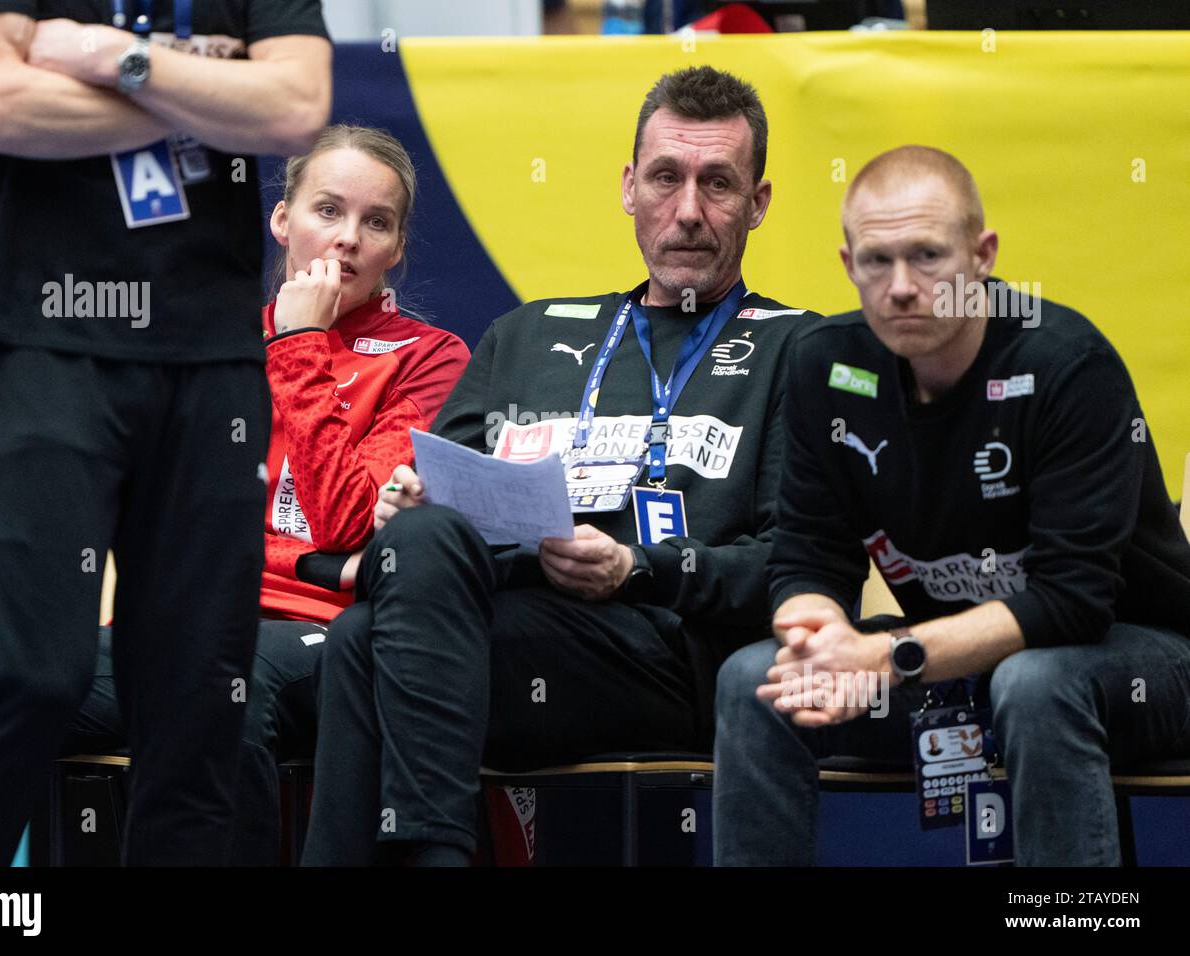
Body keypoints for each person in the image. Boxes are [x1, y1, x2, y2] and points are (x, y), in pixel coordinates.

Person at [0, 120, 470, 865]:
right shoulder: (211, 343)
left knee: (212, 700)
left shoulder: (430, 357)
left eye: (376, 222)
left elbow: (347, 521)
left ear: (398, 249)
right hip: (184, 622)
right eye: (328, 210)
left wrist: (300, 344)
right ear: (281, 219)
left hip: (318, 636)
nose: (348, 238)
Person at [302, 65, 819, 866]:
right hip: (504, 611)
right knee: (393, 585)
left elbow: (800, 570)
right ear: (627, 187)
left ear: (758, 203)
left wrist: (636, 569)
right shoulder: (530, 334)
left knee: (366, 645)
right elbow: (438, 498)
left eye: (717, 184)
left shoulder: (802, 348)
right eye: (665, 178)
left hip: (664, 644)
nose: (688, 211)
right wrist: (408, 501)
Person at [0, 0, 330, 866]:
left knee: (199, 702)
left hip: (210, 348)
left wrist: (114, 58)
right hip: (43, 335)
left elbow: (292, 108)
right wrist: (208, 94)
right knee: (37, 675)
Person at [712, 145, 1190, 866]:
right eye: (877, 261)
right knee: (757, 680)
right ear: (848, 266)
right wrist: (821, 639)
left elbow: (1072, 604)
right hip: (946, 662)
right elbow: (807, 556)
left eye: (928, 256)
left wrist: (886, 656)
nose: (901, 287)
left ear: (983, 255)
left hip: (1140, 663)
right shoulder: (822, 364)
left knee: (1033, 682)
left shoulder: (1066, 365)